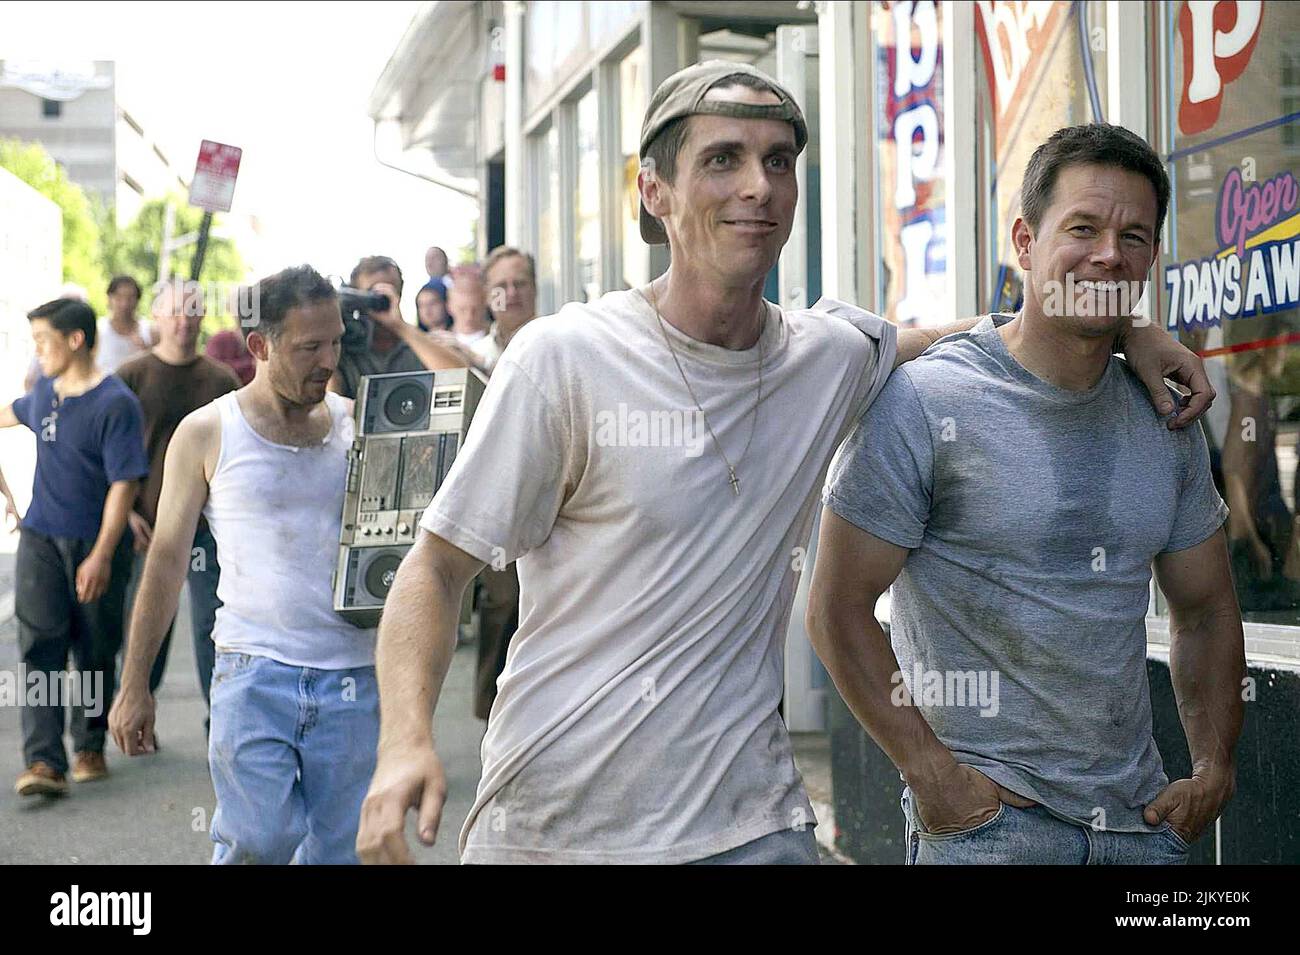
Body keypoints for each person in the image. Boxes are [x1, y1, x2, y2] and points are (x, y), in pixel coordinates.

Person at [355, 63, 1214, 865]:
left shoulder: (827, 355)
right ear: (652, 192)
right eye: (721, 160)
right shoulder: (565, 359)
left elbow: (1005, 334)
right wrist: (405, 740)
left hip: (754, 825)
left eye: (777, 162)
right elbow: (435, 568)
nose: (756, 187)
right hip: (555, 824)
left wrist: (1128, 325)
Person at [806, 123, 1245, 866]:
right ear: (1024, 240)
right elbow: (837, 608)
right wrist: (932, 774)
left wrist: (1213, 768)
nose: (1110, 251)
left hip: (1142, 827)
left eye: (1134, 236)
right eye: (1083, 226)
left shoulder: (1164, 414)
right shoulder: (925, 399)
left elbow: (1203, 607)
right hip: (990, 828)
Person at [109, 265, 378, 864]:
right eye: (310, 346)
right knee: (257, 842)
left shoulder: (357, 423)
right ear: (261, 346)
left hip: (353, 676)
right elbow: (167, 560)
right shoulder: (207, 432)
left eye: (335, 341)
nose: (328, 359)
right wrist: (135, 686)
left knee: (340, 851)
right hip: (253, 673)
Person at [2, 298, 149, 796]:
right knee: (39, 647)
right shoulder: (43, 392)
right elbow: (8, 415)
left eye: (43, 340)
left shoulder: (115, 403)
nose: (37, 351)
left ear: (75, 339)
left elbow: (124, 484)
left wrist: (103, 554)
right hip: (41, 537)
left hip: (95, 542)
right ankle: (44, 762)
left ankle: (89, 745)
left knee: (94, 647)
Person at [117, 279, 240, 723]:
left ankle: (220, 719)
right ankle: (132, 707)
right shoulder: (131, 376)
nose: (184, 321)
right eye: (174, 311)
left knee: (214, 624)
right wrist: (126, 513)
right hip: (147, 525)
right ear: (157, 316)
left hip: (207, 529)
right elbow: (106, 454)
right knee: (146, 621)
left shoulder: (221, 380)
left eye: (193, 311)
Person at [330, 255, 463, 400]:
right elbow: (330, 405)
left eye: (389, 291)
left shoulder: (421, 345)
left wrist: (399, 326)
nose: (382, 297)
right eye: (372, 293)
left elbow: (460, 379)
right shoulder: (346, 348)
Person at [97, 276, 154, 373]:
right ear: (109, 299)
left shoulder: (149, 330)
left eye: (130, 298)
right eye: (119, 297)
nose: (125, 303)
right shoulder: (98, 329)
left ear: (137, 300)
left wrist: (146, 350)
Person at [444, 264, 491, 348]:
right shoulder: (439, 344)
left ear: (485, 305)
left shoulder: (502, 341)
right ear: (449, 307)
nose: (469, 316)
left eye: (475, 309)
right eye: (462, 310)